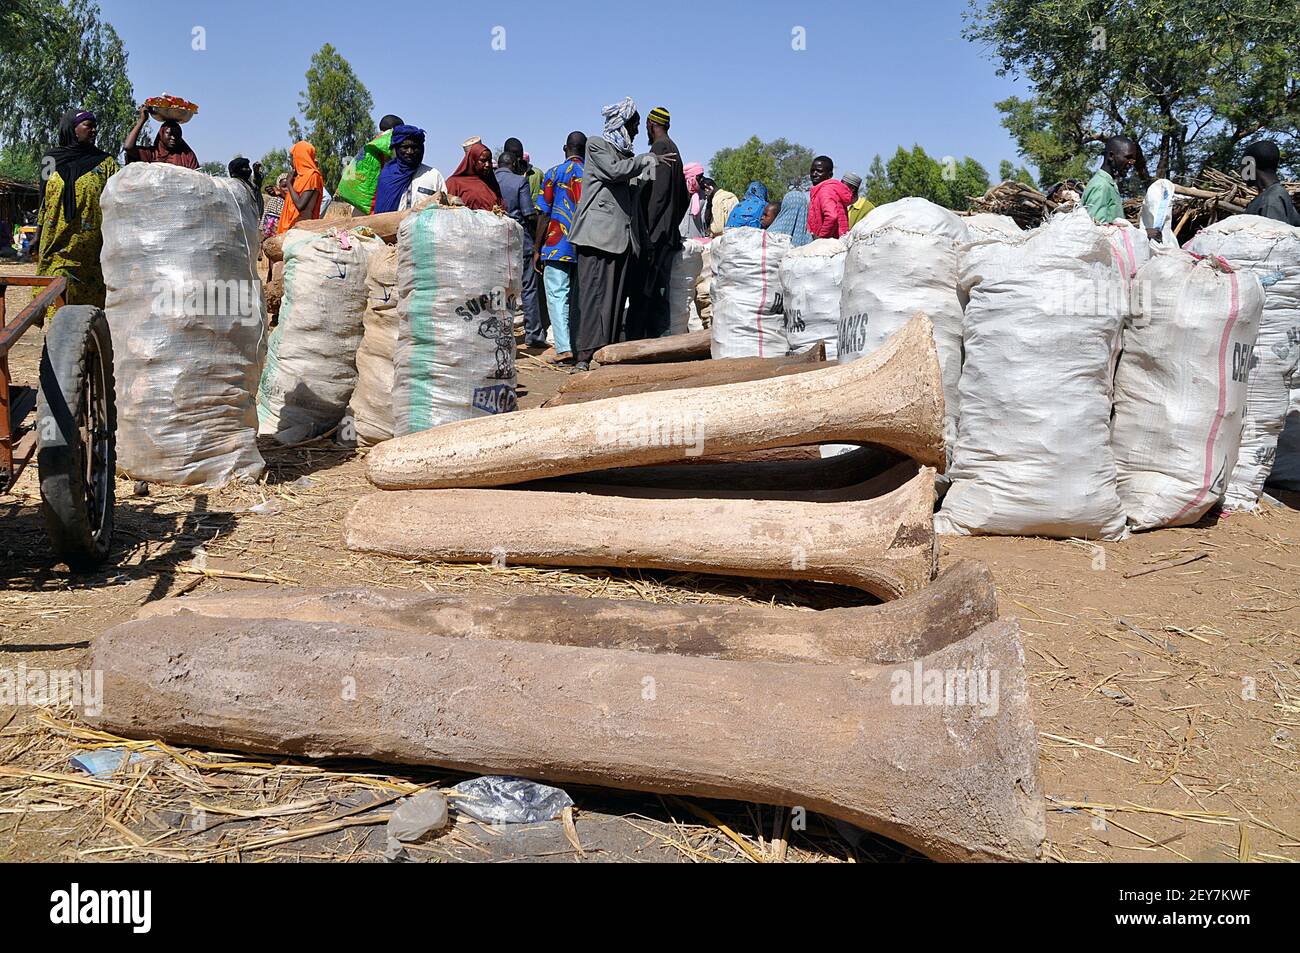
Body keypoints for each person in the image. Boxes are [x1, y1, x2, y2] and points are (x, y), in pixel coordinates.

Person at [569, 96, 676, 370]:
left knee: (613, 300)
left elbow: (636, 192)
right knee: (592, 299)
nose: (639, 131)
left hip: (621, 240)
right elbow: (614, 172)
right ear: (624, 123)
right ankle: (583, 355)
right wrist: (646, 160)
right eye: (636, 124)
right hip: (596, 238)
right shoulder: (597, 145)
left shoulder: (629, 156)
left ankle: (605, 352)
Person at [35, 109, 118, 310]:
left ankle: (84, 339)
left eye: (94, 126)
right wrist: (37, 236)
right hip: (56, 242)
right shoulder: (50, 159)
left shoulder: (106, 163)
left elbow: (116, 200)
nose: (94, 130)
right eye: (88, 125)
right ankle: (55, 339)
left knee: (87, 306)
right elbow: (43, 199)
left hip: (91, 248)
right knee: (56, 295)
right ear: (73, 129)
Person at [626, 105, 689, 340]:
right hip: (666, 232)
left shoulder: (659, 149)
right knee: (657, 291)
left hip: (655, 236)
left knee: (643, 291)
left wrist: (649, 231)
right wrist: (671, 224)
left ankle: (637, 341)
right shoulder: (675, 150)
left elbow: (657, 194)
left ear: (651, 125)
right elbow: (683, 196)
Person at [533, 131, 587, 364]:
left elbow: (543, 213)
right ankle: (579, 344)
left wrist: (537, 247)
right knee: (579, 297)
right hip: (586, 243)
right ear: (584, 150)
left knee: (557, 295)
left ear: (565, 148)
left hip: (557, 243)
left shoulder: (553, 173)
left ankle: (564, 348)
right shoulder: (592, 175)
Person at [496, 149, 543, 347]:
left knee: (498, 289)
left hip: (495, 243)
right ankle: (534, 335)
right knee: (529, 290)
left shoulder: (488, 180)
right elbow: (528, 213)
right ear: (514, 164)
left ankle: (498, 333)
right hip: (519, 241)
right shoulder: (519, 181)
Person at [373, 125, 445, 213]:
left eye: (414, 147)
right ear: (397, 148)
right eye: (405, 147)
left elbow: (443, 209)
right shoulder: (386, 176)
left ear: (421, 149)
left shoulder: (434, 175)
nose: (409, 152)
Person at [1241, 140, 1300, 226]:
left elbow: (1273, 236)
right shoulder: (1273, 195)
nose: (1241, 171)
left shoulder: (1271, 200)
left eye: (1242, 165)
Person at [1081, 136, 1136, 224]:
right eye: (1128, 157)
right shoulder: (1101, 186)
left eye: (1133, 159)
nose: (1131, 162)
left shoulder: (1109, 184)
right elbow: (1097, 229)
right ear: (1111, 156)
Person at [123, 106, 199, 168]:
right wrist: (142, 120)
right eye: (170, 134)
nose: (173, 137)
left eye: (177, 135)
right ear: (161, 134)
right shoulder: (152, 154)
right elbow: (128, 147)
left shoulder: (187, 156)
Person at [276, 141, 325, 234]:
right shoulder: (299, 177)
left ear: (300, 157)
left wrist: (289, 183)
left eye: (292, 157)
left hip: (301, 230)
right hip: (291, 228)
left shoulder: (312, 176)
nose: (291, 161)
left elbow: (300, 205)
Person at [445, 142, 504, 211]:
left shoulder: (491, 184)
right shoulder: (454, 183)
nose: (487, 165)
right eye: (483, 161)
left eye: (489, 161)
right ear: (473, 161)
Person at [807, 156, 853, 238]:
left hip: (829, 245)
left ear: (830, 175)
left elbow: (832, 216)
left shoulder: (825, 191)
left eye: (819, 171)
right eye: (812, 171)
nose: (814, 174)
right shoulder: (823, 190)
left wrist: (822, 238)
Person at [680, 161, 708, 239]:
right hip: (680, 236)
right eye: (699, 176)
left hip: (697, 237)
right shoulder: (678, 192)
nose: (702, 179)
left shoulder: (703, 195)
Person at [261, 173, 288, 237]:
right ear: (278, 188)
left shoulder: (296, 201)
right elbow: (269, 229)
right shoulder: (276, 202)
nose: (288, 189)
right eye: (284, 186)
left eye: (290, 185)